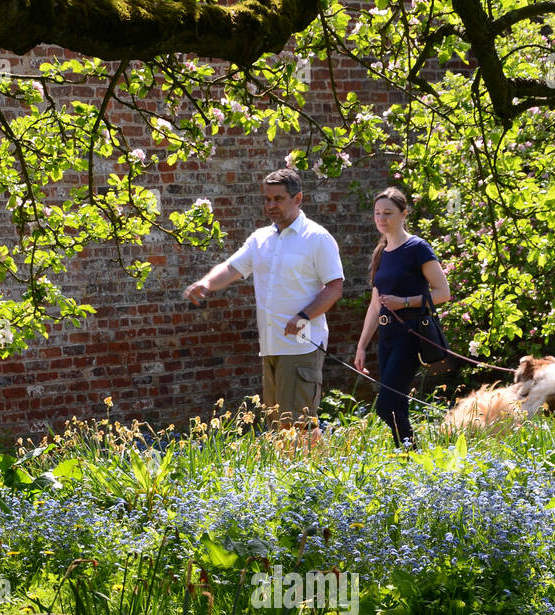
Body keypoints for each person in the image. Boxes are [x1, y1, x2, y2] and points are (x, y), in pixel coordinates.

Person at [184, 170, 344, 422]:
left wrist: (304, 316)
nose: (270, 205)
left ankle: (317, 462)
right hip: (270, 346)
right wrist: (205, 283)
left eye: (278, 199)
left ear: (298, 198)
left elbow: (334, 287)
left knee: (295, 425)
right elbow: (231, 268)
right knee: (280, 425)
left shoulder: (317, 238)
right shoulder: (260, 239)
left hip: (301, 346)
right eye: (267, 199)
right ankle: (322, 463)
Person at [355, 187, 451, 448]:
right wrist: (362, 345)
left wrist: (405, 302)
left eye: (388, 213)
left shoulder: (417, 248)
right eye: (377, 213)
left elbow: (443, 293)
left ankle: (413, 449)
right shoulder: (380, 253)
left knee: (385, 405)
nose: (381, 219)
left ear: (403, 214)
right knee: (397, 403)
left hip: (410, 333)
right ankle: (406, 459)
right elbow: (375, 305)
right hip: (386, 336)